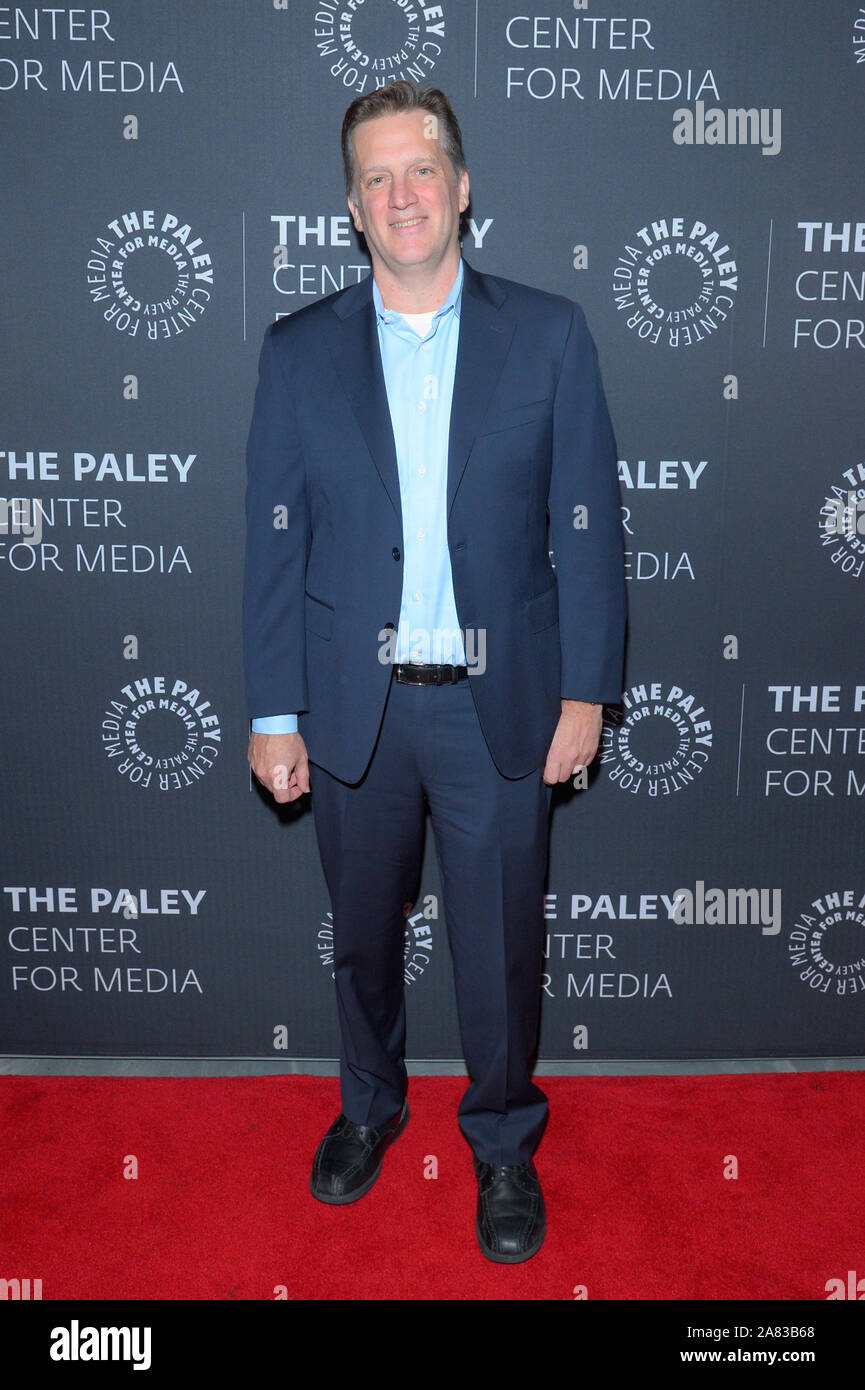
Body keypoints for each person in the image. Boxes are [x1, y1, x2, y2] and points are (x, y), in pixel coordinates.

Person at [243, 79, 626, 1264]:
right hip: (354, 710)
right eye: (375, 176)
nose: (400, 193)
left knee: (503, 946)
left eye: (420, 169)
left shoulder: (549, 333)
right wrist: (271, 710)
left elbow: (588, 531)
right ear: (351, 209)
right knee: (362, 937)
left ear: (462, 189)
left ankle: (503, 1142)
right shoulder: (298, 352)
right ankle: (370, 1106)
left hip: (497, 707)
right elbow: (274, 541)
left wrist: (585, 691)